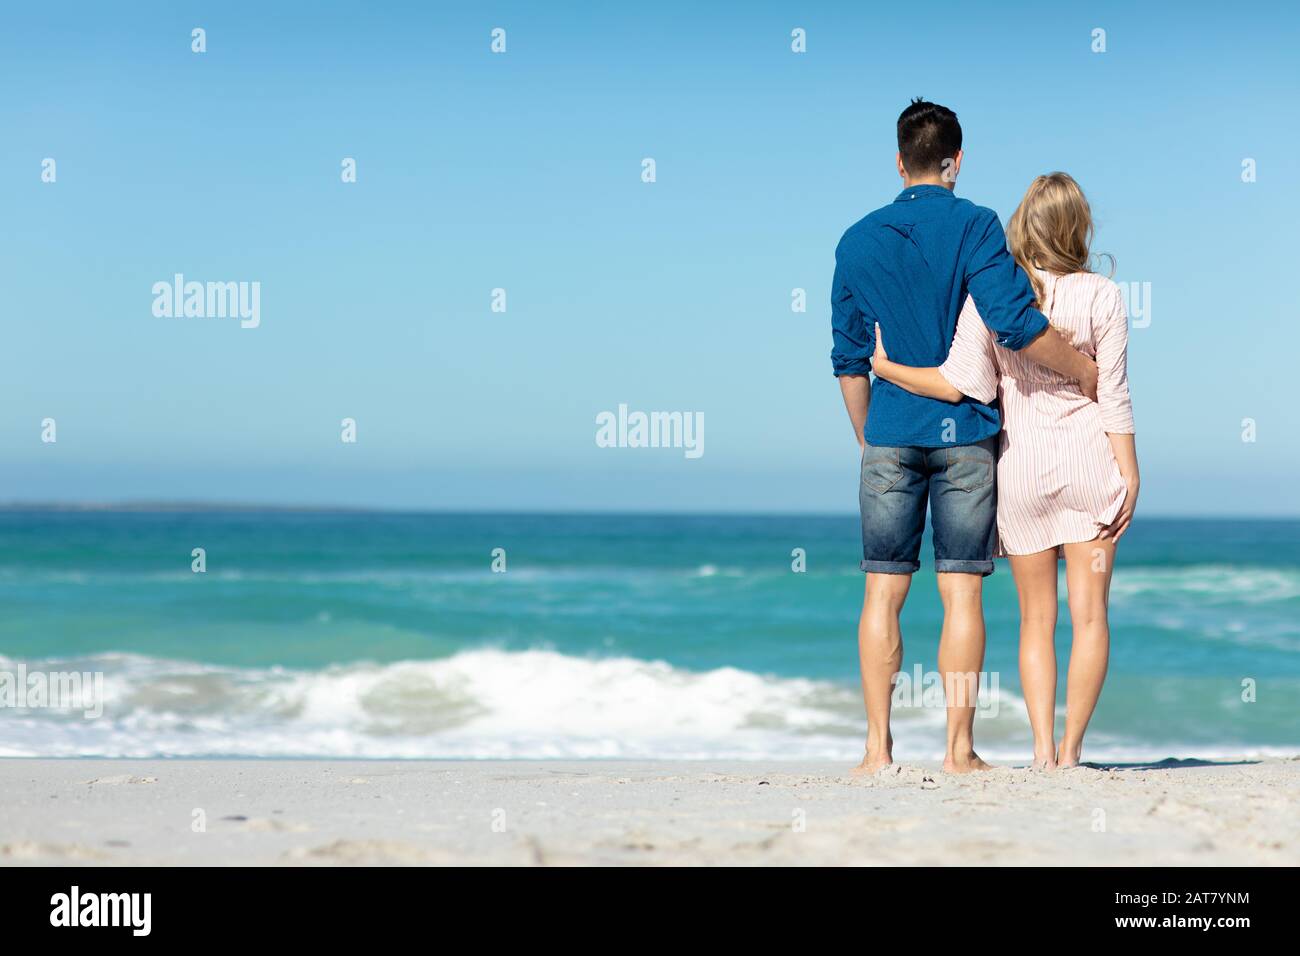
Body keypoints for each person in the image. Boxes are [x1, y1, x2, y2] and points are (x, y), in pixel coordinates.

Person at [831, 99, 1098, 774]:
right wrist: (1084, 371)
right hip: (968, 437)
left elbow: (848, 356)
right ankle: (958, 750)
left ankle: (876, 750)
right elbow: (1014, 322)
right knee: (961, 592)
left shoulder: (856, 240)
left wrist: (870, 434)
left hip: (890, 430)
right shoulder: (977, 226)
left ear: (898, 162)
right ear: (956, 162)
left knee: (882, 591)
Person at [870, 172, 1139, 769]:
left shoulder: (995, 292)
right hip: (1090, 467)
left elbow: (960, 383)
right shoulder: (1103, 295)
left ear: (1024, 225)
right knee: (1090, 616)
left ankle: (1041, 750)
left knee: (1034, 621)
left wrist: (886, 369)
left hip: (1021, 475)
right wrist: (1131, 473)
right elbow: (1113, 393)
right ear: (1079, 226)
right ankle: (1072, 754)